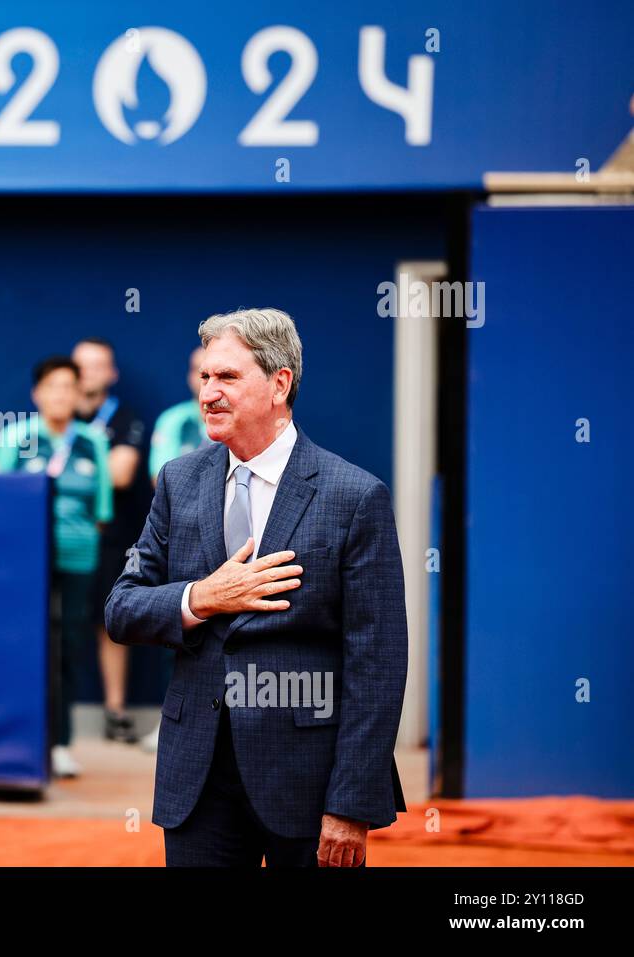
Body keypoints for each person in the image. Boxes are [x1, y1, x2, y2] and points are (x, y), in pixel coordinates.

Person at [105, 308, 407, 867]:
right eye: (204, 378)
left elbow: (379, 661)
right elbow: (121, 609)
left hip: (308, 784)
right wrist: (200, 597)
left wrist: (352, 804)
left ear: (280, 383)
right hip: (196, 780)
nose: (209, 394)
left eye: (228, 378)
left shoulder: (354, 496)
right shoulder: (179, 479)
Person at [0, 358, 111, 779]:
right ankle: (19, 740)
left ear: (80, 395)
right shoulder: (15, 437)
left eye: (68, 387)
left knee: (69, 649)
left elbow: (101, 510)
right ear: (36, 393)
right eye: (52, 387)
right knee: (26, 646)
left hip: (79, 559)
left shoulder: (93, 442)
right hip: (25, 564)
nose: (60, 395)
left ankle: (60, 743)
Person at [71, 337, 149, 744]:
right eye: (81, 365)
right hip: (59, 538)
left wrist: (77, 459)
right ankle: (49, 712)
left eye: (98, 365)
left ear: (111, 373)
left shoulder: (123, 418)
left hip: (110, 538)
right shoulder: (54, 418)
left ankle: (115, 712)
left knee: (110, 624)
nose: (88, 373)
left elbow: (121, 475)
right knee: (54, 623)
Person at [138, 343, 211, 755]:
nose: (208, 382)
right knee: (177, 628)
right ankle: (171, 719)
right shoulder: (173, 421)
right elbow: (160, 479)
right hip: (182, 543)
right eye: (201, 373)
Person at [149, 344, 211, 482]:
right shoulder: (172, 419)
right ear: (189, 376)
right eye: (197, 370)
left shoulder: (239, 418)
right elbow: (160, 479)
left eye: (210, 372)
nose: (203, 378)